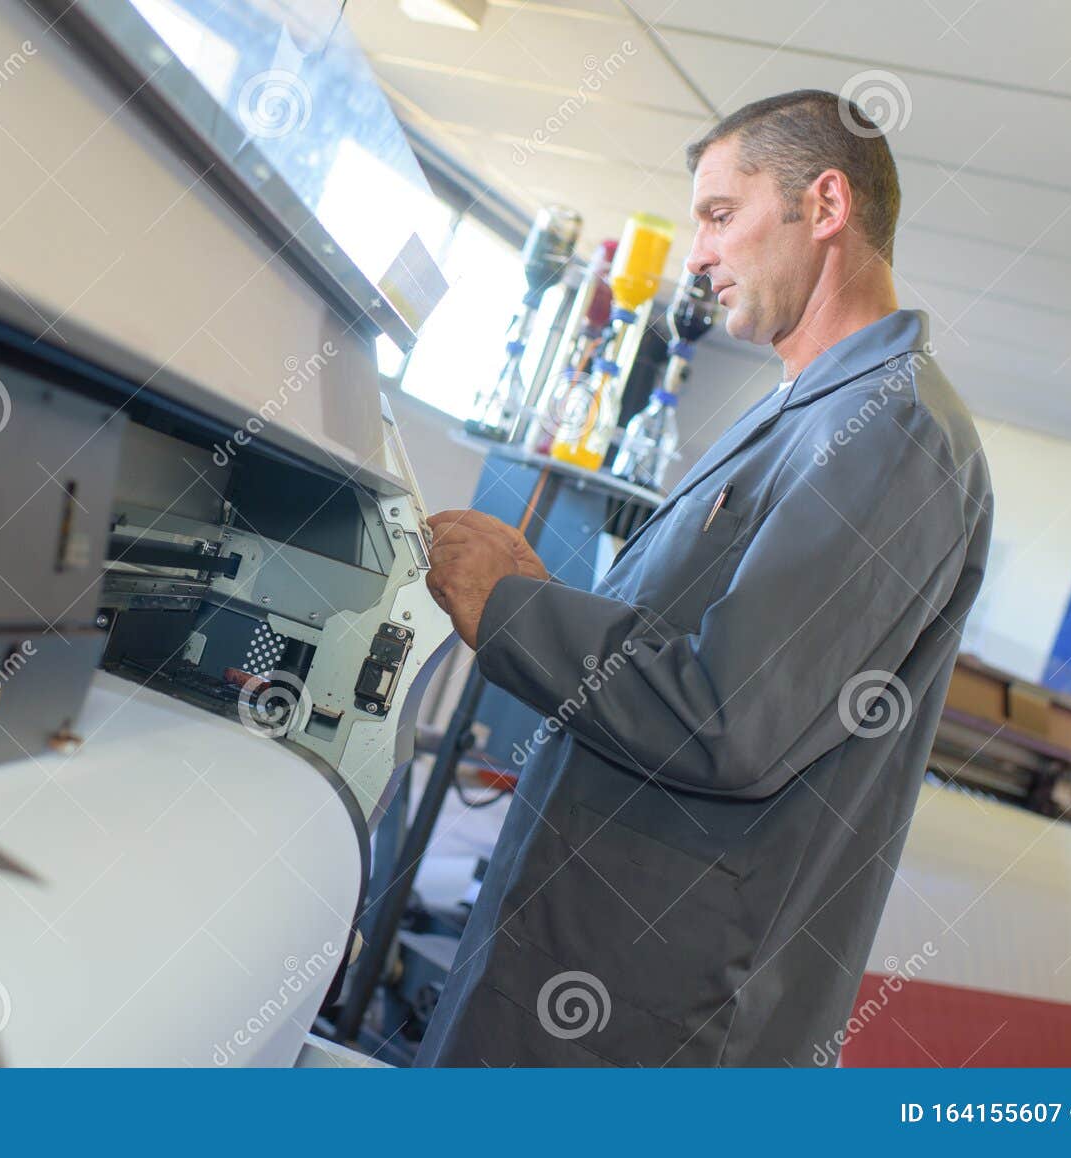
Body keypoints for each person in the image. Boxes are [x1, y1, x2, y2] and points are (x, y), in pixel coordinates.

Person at [415, 89, 993, 1067]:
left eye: (721, 216)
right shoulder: (803, 415)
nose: (698, 255)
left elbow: (732, 716)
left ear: (823, 206)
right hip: (584, 962)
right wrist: (538, 596)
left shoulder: (889, 430)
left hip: (652, 1021)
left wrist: (514, 613)